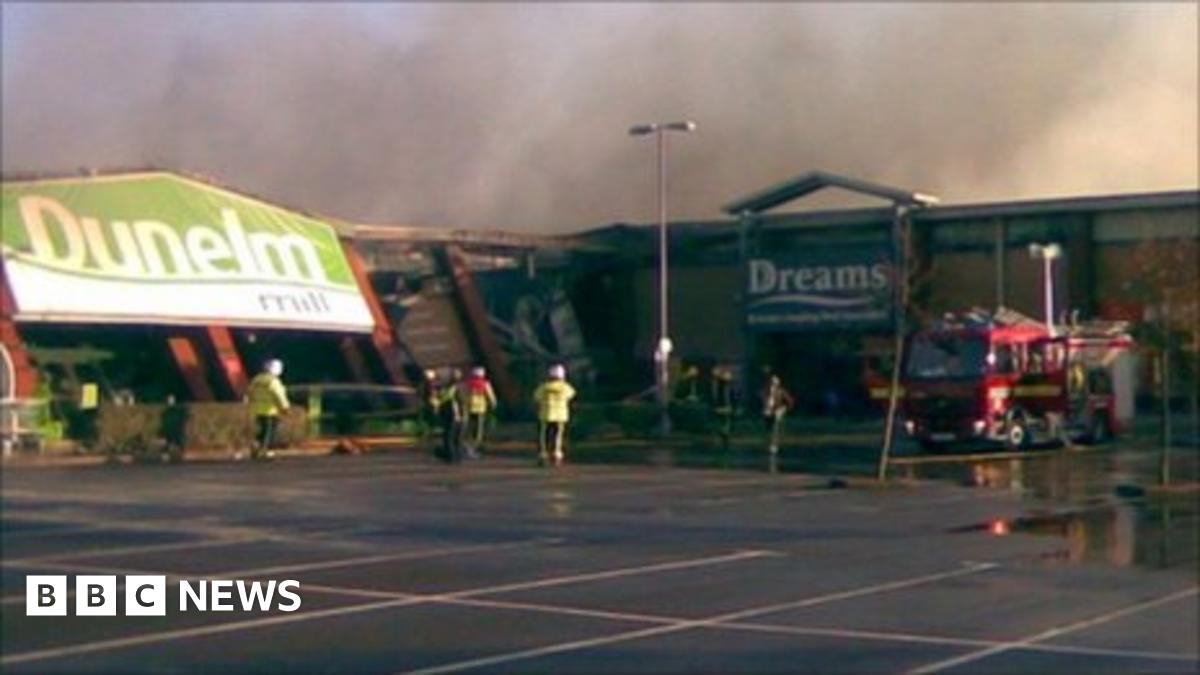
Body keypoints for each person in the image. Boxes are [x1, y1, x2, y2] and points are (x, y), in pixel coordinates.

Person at [533, 364, 576, 467]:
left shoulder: (544, 387)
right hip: (561, 415)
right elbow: (572, 395)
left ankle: (543, 455)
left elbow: (536, 397)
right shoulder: (566, 388)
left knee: (543, 437)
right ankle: (557, 455)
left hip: (546, 414)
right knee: (558, 436)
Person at [246, 359, 290, 460]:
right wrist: (285, 407)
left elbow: (249, 392)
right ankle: (265, 451)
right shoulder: (273, 382)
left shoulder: (257, 379)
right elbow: (279, 395)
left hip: (257, 411)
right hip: (270, 411)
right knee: (269, 433)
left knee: (262, 431)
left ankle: (256, 444)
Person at [464, 366, 498, 459]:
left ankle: (468, 447)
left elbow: (465, 395)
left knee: (470, 429)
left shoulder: (469, 384)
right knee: (478, 430)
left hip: (470, 408)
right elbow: (490, 396)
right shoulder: (485, 384)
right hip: (480, 409)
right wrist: (493, 404)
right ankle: (474, 449)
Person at [436, 369, 466, 464]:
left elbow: (454, 402)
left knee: (449, 437)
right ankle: (457, 457)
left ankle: (451, 458)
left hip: (452, 415)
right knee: (456, 438)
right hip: (457, 415)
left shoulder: (452, 388)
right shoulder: (459, 387)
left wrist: (457, 415)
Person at [761, 372, 794, 457]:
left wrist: (783, 409)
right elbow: (764, 402)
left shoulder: (781, 391)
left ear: (777, 383)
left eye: (774, 383)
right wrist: (765, 409)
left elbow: (790, 402)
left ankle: (774, 445)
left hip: (777, 412)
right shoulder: (766, 391)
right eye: (771, 382)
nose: (772, 385)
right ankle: (769, 443)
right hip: (768, 412)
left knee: (775, 428)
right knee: (768, 429)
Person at [710, 365, 736, 452]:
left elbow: (732, 397)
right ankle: (723, 437)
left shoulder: (727, 386)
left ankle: (725, 438)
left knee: (725, 423)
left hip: (726, 407)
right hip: (722, 407)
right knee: (722, 423)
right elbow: (717, 396)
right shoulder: (720, 386)